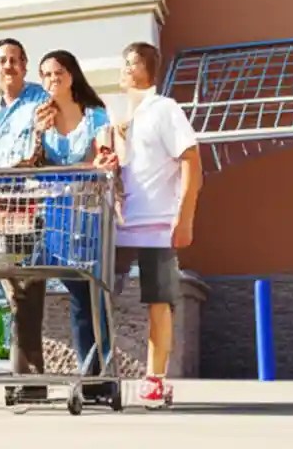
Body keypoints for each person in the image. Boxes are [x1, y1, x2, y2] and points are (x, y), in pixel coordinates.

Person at [94, 42, 202, 407]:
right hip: (121, 226)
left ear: (149, 70)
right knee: (101, 296)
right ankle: (100, 373)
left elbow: (191, 161)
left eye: (132, 63)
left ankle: (155, 379)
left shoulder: (165, 109)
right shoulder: (122, 120)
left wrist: (184, 217)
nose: (124, 69)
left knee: (159, 301)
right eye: (123, 63)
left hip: (158, 226)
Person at [0, 38, 53, 400]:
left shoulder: (40, 102)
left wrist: (3, 171)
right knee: (8, 296)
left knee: (28, 295)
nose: (9, 66)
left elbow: (38, 153)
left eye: (15, 60)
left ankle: (30, 382)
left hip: (29, 210)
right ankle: (17, 375)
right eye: (2, 60)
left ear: (25, 64)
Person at [36, 49, 116, 399]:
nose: (52, 80)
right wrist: (37, 134)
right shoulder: (41, 119)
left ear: (72, 75)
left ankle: (99, 377)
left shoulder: (95, 115)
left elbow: (104, 156)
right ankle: (89, 375)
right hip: (55, 215)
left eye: (58, 73)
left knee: (92, 296)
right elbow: (33, 165)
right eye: (46, 75)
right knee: (76, 296)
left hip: (88, 213)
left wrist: (93, 164)